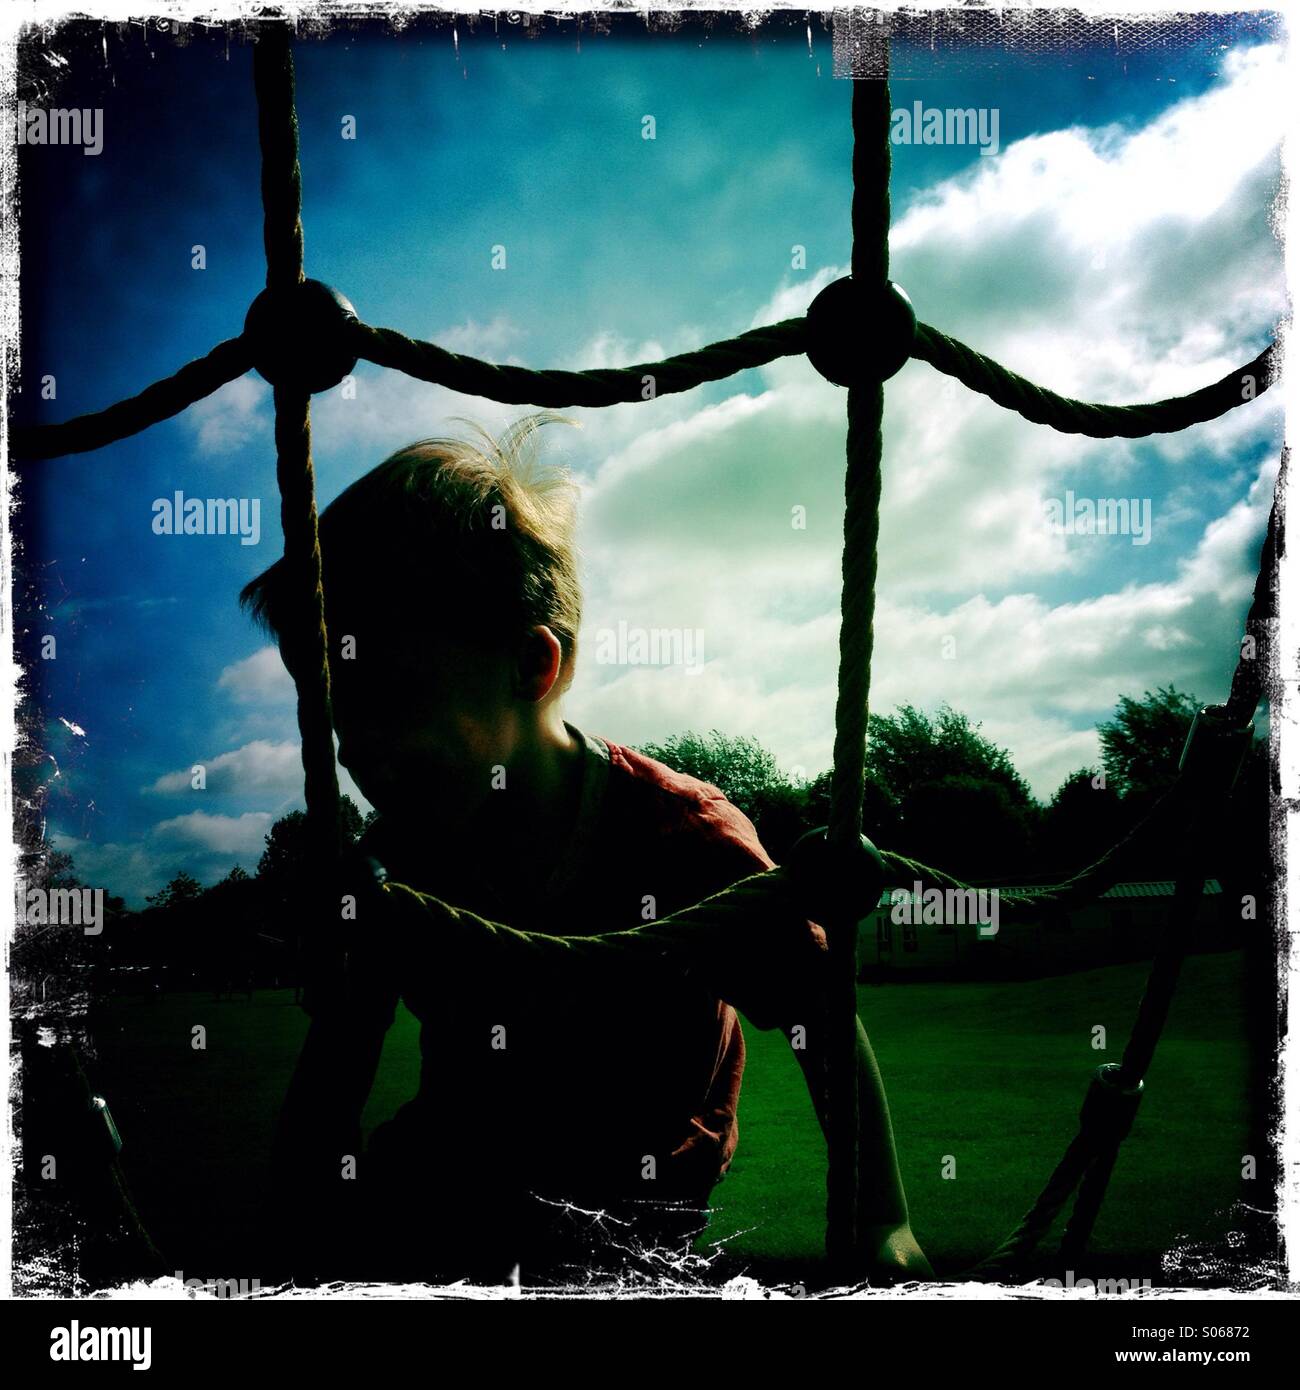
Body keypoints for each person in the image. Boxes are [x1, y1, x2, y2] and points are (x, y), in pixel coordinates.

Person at [242, 413, 931, 1288]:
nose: (355, 746)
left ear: (533, 667)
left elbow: (821, 1023)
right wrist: (297, 1219)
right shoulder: (396, 863)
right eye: (337, 714)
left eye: (392, 699)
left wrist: (883, 1219)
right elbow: (343, 1049)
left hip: (625, 1223)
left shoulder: (685, 841)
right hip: (443, 1198)